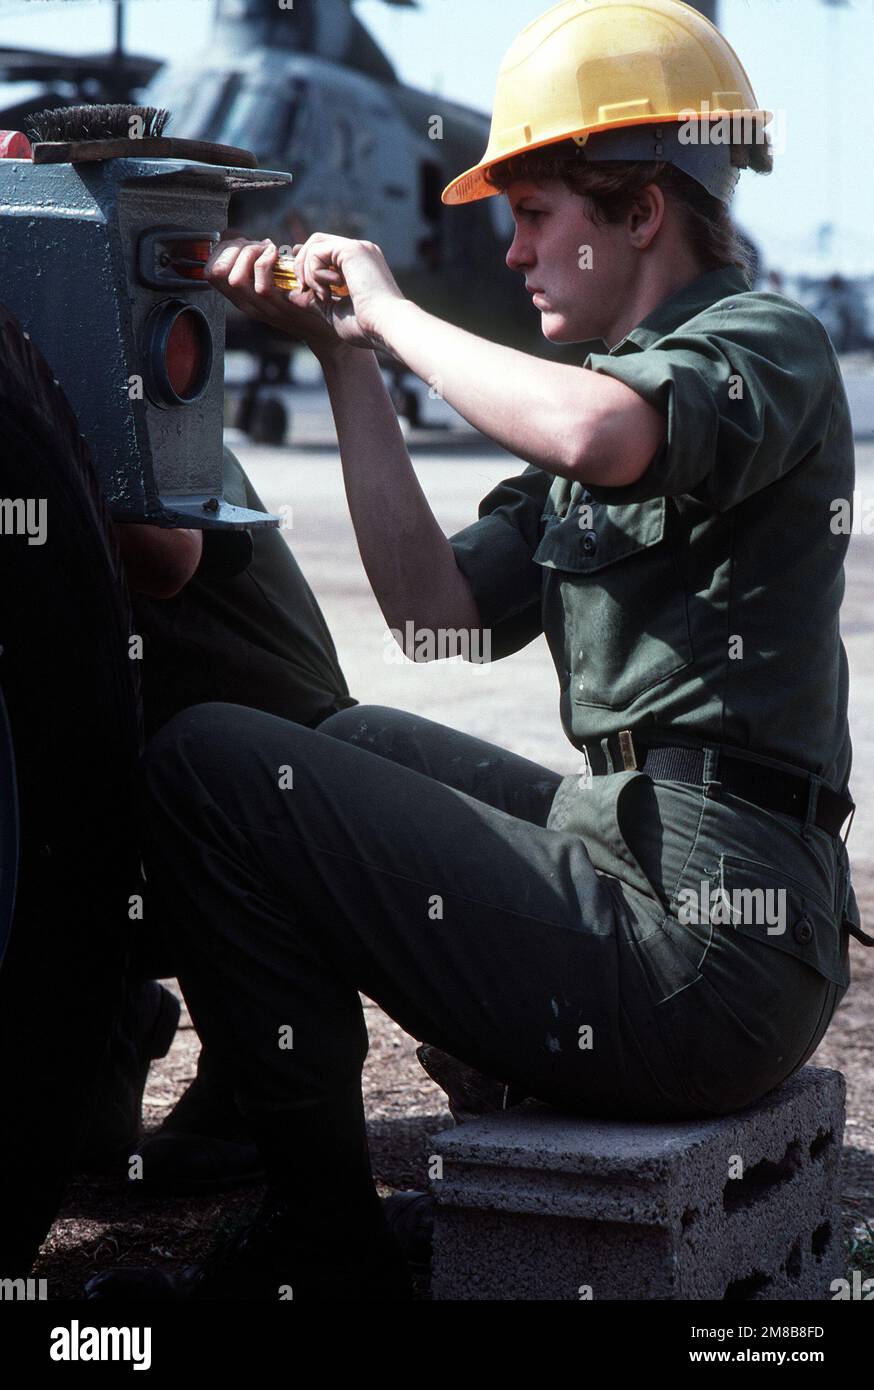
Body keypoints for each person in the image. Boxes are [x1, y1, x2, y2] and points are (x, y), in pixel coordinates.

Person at [90, 0, 868, 1301]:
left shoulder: (755, 344)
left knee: (208, 762)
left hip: (715, 940)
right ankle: (285, 1155)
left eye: (535, 215)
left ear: (640, 210)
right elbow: (429, 606)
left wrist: (392, 309)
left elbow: (598, 439)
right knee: (342, 736)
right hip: (640, 862)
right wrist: (348, 362)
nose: (511, 256)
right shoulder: (609, 379)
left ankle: (324, 1244)